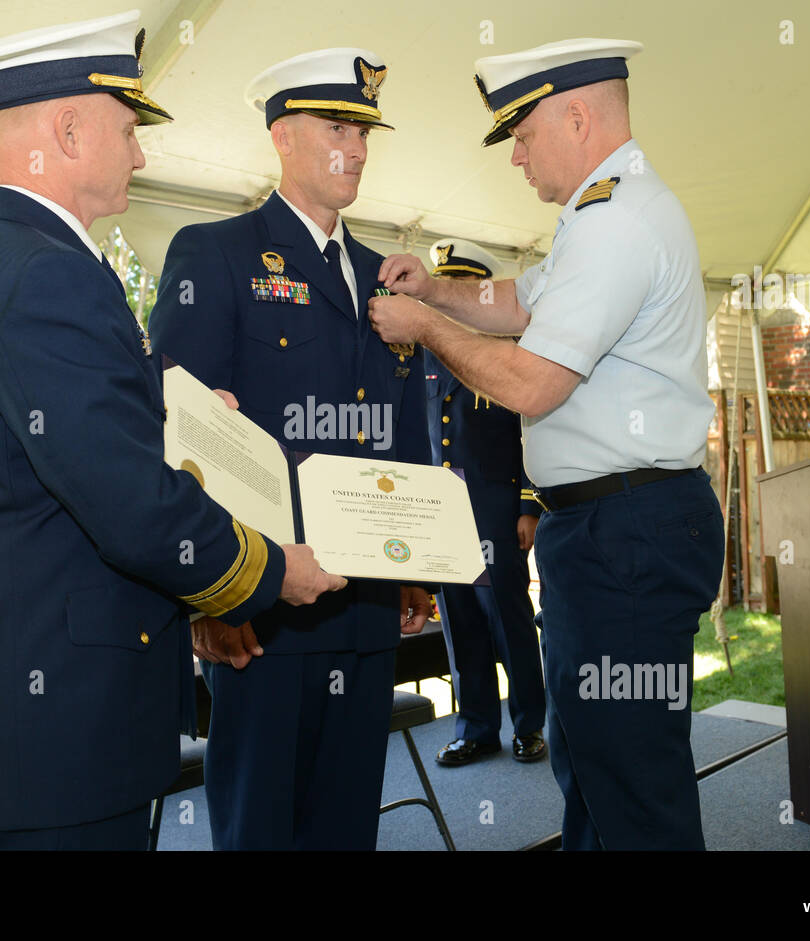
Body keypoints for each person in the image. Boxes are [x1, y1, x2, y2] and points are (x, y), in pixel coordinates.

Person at [0, 11, 344, 851]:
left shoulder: (7, 260)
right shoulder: (46, 278)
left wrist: (183, 416)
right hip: (55, 729)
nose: (140, 152)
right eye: (129, 128)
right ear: (68, 131)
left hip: (38, 716)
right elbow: (132, 502)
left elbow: (76, 441)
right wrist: (270, 569)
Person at [368, 38, 724, 850]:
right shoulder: (595, 213)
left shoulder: (616, 223)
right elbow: (517, 299)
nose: (518, 158)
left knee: (632, 776)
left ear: (576, 114)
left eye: (523, 135)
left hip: (628, 533)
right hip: (608, 529)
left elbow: (531, 383)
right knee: (592, 761)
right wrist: (439, 291)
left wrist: (424, 326)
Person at [148, 47, 433, 850]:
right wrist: (208, 592)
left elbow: (402, 425)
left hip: (368, 602)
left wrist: (412, 558)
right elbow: (181, 438)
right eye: (338, 125)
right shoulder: (217, 254)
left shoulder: (385, 275)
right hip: (261, 610)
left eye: (365, 131)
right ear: (281, 134)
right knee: (259, 828)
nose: (358, 147)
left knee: (346, 828)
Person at [419, 238, 547, 767]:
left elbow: (534, 431)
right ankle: (475, 728)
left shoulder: (512, 351)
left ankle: (529, 724)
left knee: (507, 618)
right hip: (440, 512)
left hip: (496, 505)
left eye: (462, 292)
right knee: (459, 617)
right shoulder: (421, 354)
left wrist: (528, 504)